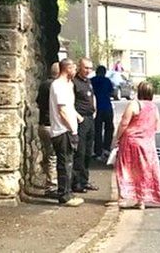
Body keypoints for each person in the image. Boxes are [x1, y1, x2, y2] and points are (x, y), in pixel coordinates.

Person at [113, 81, 160, 209]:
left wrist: (117, 138)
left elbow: (124, 123)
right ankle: (141, 200)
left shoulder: (134, 105)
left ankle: (123, 198)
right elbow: (156, 125)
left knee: (126, 170)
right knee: (143, 171)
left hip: (131, 142)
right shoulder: (154, 107)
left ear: (139, 92)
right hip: (148, 144)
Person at [50, 59, 84, 207]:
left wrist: (77, 116)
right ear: (67, 68)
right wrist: (72, 128)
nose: (75, 71)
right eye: (74, 68)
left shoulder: (67, 85)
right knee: (65, 164)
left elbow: (69, 107)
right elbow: (62, 110)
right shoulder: (58, 86)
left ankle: (67, 192)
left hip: (67, 129)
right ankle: (65, 196)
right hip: (63, 130)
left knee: (68, 163)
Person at [72, 57, 98, 193]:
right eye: (85, 68)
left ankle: (85, 180)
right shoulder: (74, 82)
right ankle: (77, 183)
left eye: (90, 68)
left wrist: (94, 111)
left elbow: (92, 97)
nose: (88, 70)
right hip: (80, 120)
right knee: (80, 153)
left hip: (90, 119)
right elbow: (70, 102)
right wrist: (79, 117)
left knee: (88, 152)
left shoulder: (88, 81)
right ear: (79, 67)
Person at [36, 62, 60, 196]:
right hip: (52, 125)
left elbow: (39, 102)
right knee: (53, 157)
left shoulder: (44, 85)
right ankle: (51, 186)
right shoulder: (56, 86)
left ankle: (49, 182)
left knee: (48, 155)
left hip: (42, 124)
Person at [91, 65, 115, 159]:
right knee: (109, 128)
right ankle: (106, 148)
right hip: (107, 107)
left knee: (97, 129)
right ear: (104, 72)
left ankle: (98, 151)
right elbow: (111, 92)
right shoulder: (107, 81)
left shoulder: (92, 80)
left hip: (97, 107)